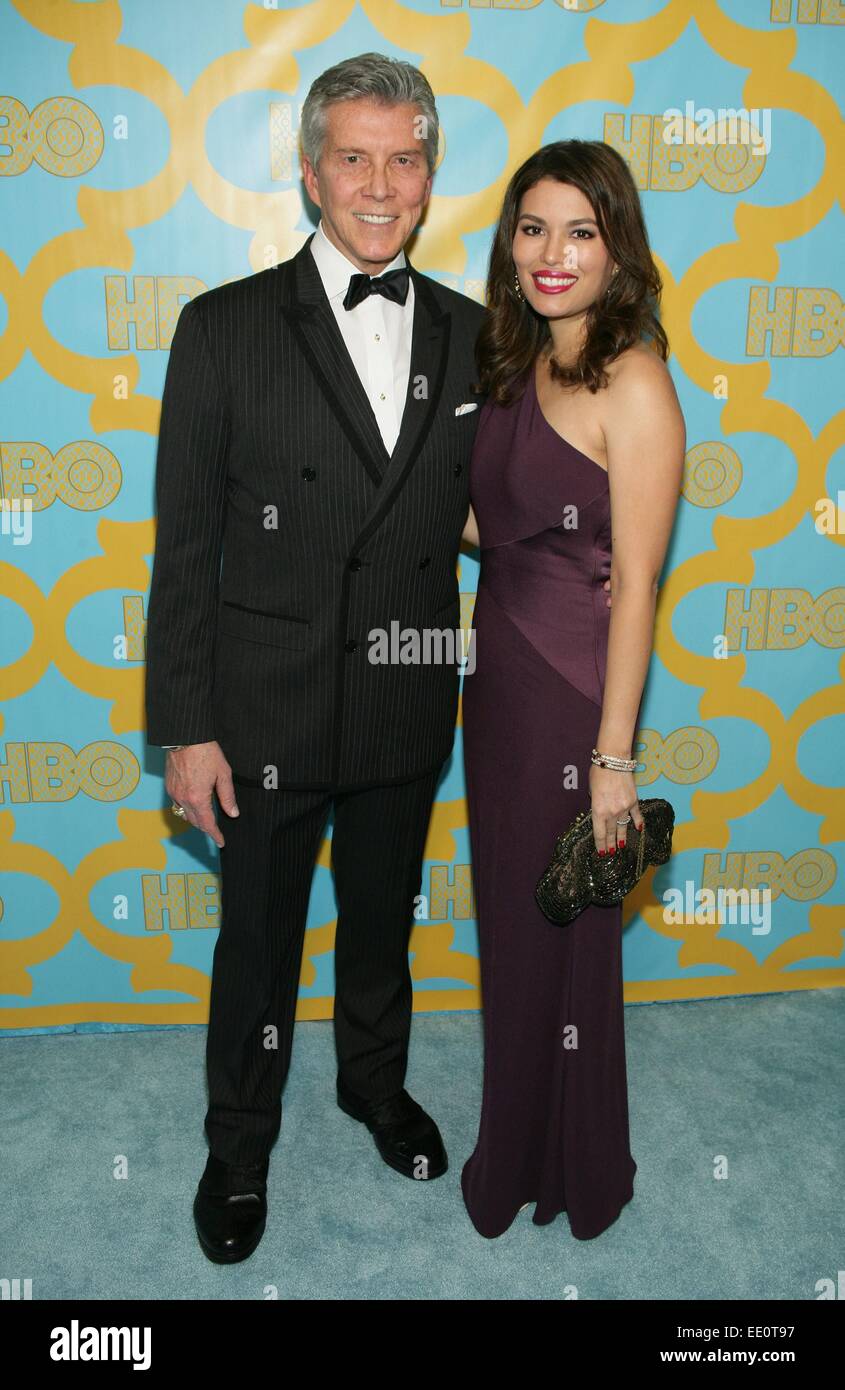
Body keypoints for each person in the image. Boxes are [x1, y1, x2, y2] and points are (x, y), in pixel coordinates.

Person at [144, 52, 497, 1264]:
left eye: (405, 157)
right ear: (307, 173)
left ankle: (371, 1086)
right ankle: (239, 1147)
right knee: (255, 946)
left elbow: (492, 509)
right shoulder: (221, 329)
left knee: (380, 928)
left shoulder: (473, 335)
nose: (380, 182)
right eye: (353, 155)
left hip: (405, 692)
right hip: (260, 714)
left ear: (431, 174)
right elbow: (183, 547)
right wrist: (184, 728)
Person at [459, 140, 685, 1240]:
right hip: (492, 690)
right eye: (533, 227)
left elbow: (636, 583)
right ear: (509, 243)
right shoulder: (508, 366)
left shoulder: (631, 379)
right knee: (512, 930)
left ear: (615, 248)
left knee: (569, 930)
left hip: (570, 697)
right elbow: (489, 525)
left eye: (580, 232)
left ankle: (574, 1167)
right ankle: (512, 1153)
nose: (552, 254)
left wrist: (611, 760)